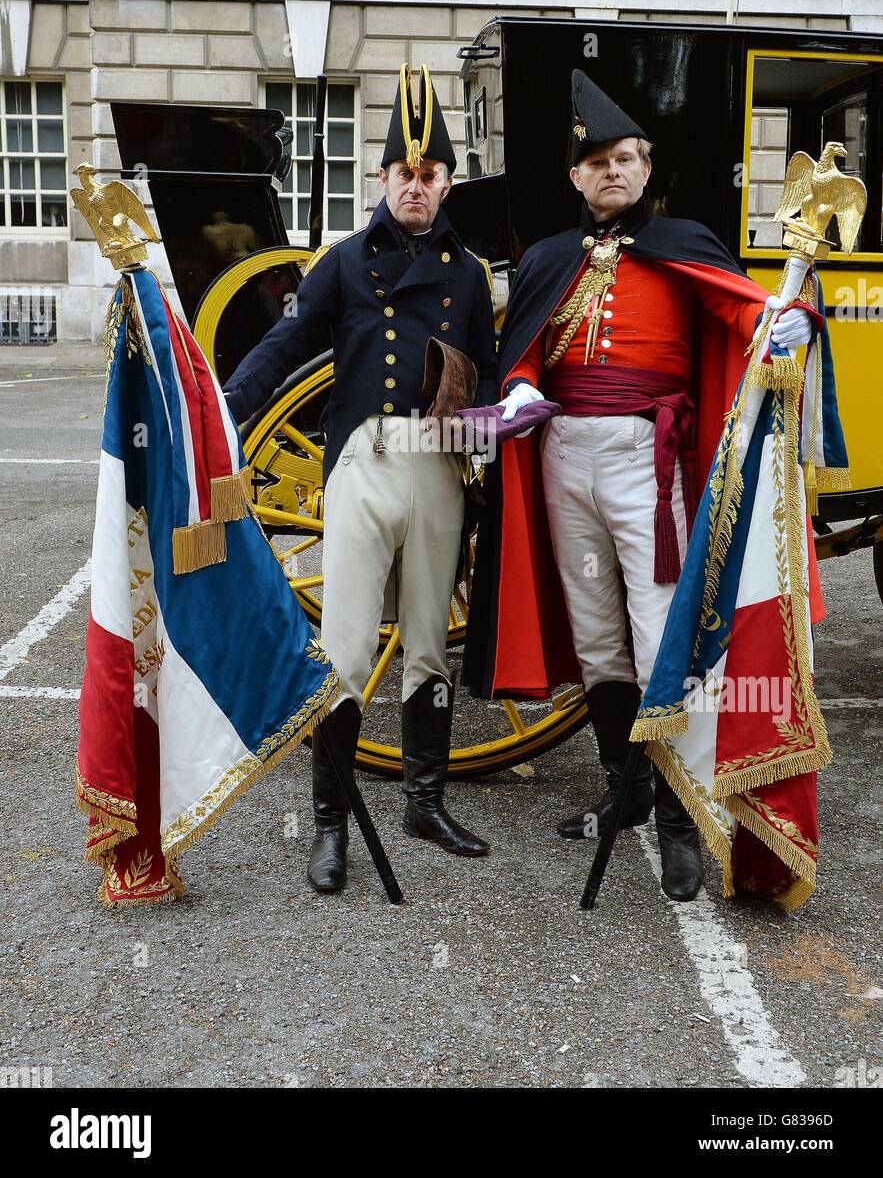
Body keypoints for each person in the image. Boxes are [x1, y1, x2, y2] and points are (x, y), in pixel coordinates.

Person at [463, 70, 814, 902]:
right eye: (595, 162)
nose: (610, 171)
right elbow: (523, 353)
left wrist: (785, 324)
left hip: (646, 460)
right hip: (560, 455)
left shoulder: (686, 239)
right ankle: (623, 787)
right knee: (596, 638)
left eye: (624, 158)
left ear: (644, 168)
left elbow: (744, 318)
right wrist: (514, 390)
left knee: (661, 634)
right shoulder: (547, 257)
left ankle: (680, 814)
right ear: (575, 177)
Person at [223, 64, 497, 893]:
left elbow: (484, 372)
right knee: (343, 651)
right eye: (403, 174)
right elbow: (285, 345)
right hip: (363, 463)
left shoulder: (469, 274)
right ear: (380, 178)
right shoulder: (344, 262)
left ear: (447, 182)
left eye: (429, 174)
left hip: (438, 467)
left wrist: (486, 408)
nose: (415, 187)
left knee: (426, 649)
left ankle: (424, 802)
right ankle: (330, 826)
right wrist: (227, 407)